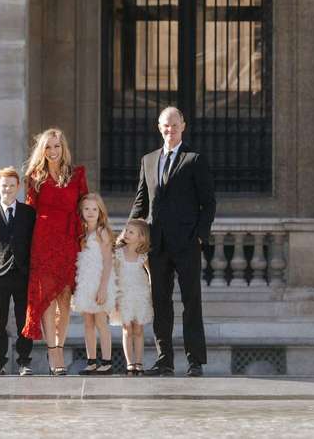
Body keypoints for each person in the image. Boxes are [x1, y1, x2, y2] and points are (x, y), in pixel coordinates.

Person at [129, 106, 216, 377]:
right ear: (159, 127)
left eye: (174, 125)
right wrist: (128, 235)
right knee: (160, 302)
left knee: (191, 302)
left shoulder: (195, 159)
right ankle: (164, 360)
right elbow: (142, 201)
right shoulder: (148, 160)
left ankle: (195, 361)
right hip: (157, 244)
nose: (170, 130)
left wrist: (200, 236)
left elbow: (208, 202)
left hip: (187, 243)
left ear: (183, 126)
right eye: (166, 126)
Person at [21, 128, 88, 375]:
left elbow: (84, 208)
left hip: (68, 240)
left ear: (63, 148)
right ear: (42, 150)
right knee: (47, 298)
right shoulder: (34, 177)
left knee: (64, 299)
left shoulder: (77, 174)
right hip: (43, 241)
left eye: (56, 146)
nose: (52, 151)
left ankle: (60, 344)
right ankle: (53, 352)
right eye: (48, 147)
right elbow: (29, 213)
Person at [0, 167, 36, 376]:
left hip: (23, 273)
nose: (8, 189)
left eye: (12, 186)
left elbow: (33, 241)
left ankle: (24, 361)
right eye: (4, 186)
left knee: (24, 319)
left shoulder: (28, 212)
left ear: (18, 188)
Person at [72, 192, 116, 375]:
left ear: (100, 212)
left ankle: (106, 361)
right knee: (87, 323)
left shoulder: (101, 232)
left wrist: (103, 287)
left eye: (94, 209)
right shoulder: (82, 232)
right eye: (86, 209)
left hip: (99, 282)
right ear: (81, 211)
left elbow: (107, 261)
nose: (90, 212)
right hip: (85, 282)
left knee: (100, 322)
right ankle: (91, 361)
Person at [110, 219, 153, 376]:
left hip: (140, 295)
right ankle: (130, 363)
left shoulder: (143, 256)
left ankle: (139, 362)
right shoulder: (118, 254)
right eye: (126, 230)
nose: (126, 234)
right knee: (127, 328)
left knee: (139, 328)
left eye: (131, 232)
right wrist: (113, 296)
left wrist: (152, 292)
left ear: (141, 237)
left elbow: (150, 275)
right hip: (124, 295)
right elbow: (113, 275)